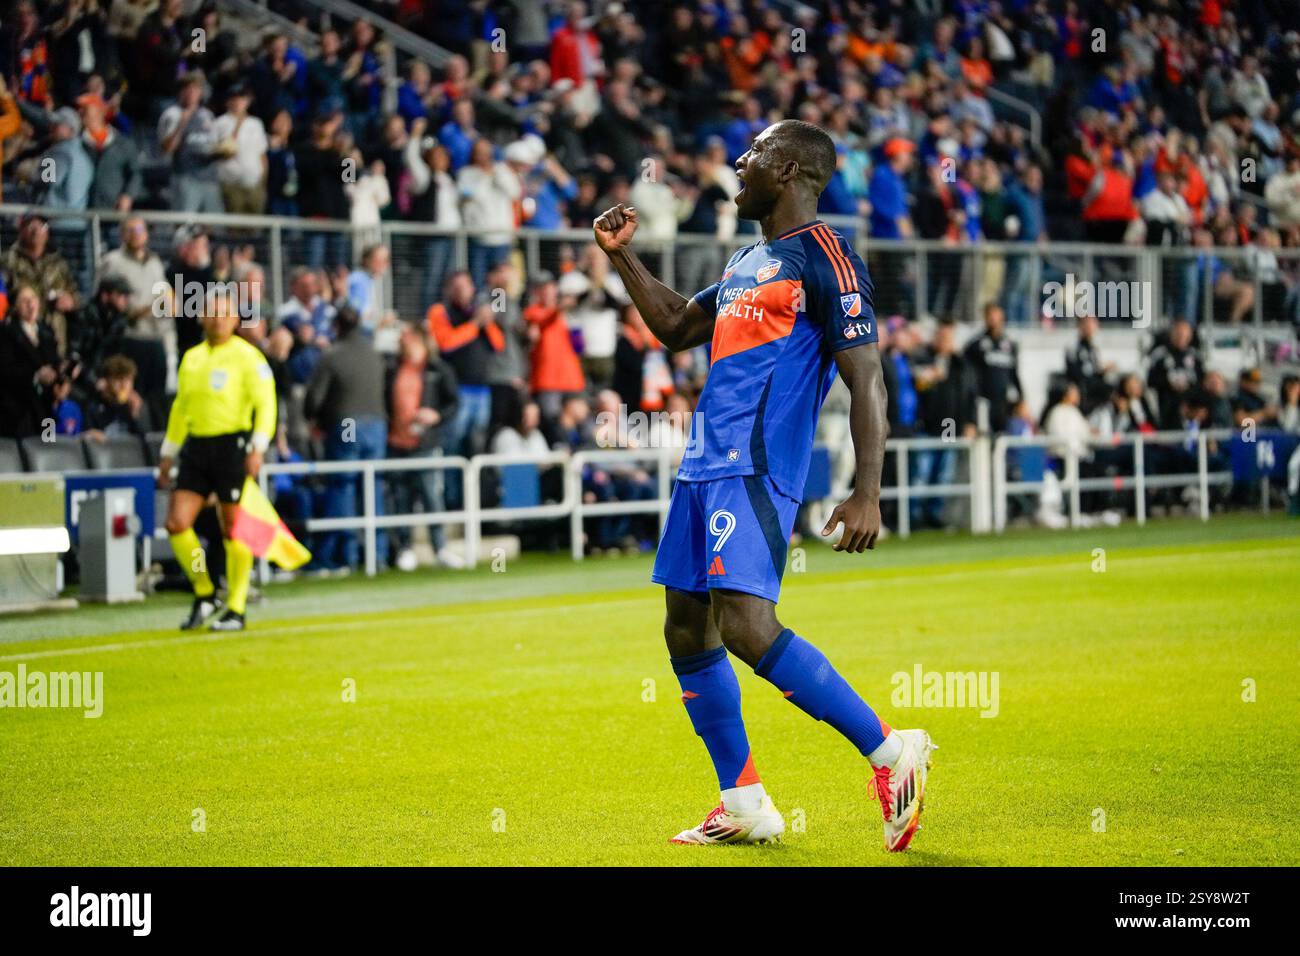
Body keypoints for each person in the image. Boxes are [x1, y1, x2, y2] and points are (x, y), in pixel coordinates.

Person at [592, 119, 934, 852]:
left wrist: (867, 490)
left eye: (753, 152)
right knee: (686, 628)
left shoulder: (828, 258)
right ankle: (743, 801)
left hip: (755, 467)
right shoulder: (751, 259)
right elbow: (676, 325)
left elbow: (866, 378)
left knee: (747, 626)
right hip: (702, 466)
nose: (739, 161)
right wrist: (623, 258)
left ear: (787, 170)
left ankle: (891, 751)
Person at [158, 290, 276, 633]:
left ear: (235, 319)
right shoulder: (191, 358)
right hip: (197, 446)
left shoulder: (248, 357)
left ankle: (236, 607)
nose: (217, 319)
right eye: (211, 312)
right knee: (177, 523)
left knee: (233, 529)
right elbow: (180, 408)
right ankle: (205, 590)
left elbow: (266, 404)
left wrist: (258, 447)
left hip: (232, 446)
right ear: (201, 317)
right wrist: (168, 452)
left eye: (224, 313)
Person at [303, 305, 389, 573]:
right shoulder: (373, 353)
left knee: (343, 484)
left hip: (348, 424)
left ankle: (344, 554)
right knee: (373, 485)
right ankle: (377, 554)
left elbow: (314, 399)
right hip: (376, 423)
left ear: (337, 326)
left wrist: (315, 419)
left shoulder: (333, 355)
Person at [384, 324, 459, 570]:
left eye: (406, 336)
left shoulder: (437, 369)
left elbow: (453, 403)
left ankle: (440, 548)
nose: (401, 340)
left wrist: (436, 416)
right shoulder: (393, 368)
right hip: (397, 443)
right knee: (400, 498)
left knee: (431, 496)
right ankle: (405, 548)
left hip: (426, 444)